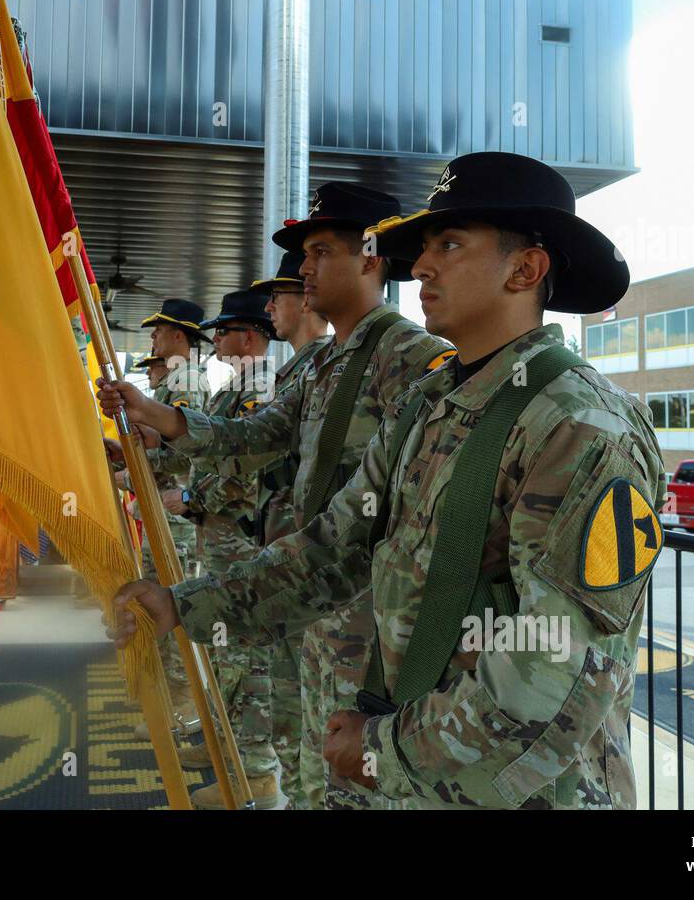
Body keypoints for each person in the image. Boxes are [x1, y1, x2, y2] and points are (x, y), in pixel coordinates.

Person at [105, 152, 664, 809]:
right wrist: (186, 604)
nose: (421, 266)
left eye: (449, 244)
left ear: (526, 268)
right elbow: (332, 549)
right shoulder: (429, 405)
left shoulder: (582, 426)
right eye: (424, 247)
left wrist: (389, 749)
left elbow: (557, 669)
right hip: (420, 773)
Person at [99, 182, 450, 809]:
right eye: (304, 256)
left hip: (372, 619)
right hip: (314, 600)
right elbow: (258, 434)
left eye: (318, 252)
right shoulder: (321, 365)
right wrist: (156, 412)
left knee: (361, 785)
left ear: (371, 257)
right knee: (314, 765)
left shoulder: (412, 358)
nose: (304, 270)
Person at [172, 289, 280, 808]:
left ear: (252, 336)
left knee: (245, 659)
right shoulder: (234, 388)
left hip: (240, 544)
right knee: (225, 654)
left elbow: (250, 472)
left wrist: (193, 499)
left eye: (225, 333)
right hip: (218, 543)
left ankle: (254, 771)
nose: (214, 344)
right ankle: (225, 747)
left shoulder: (262, 387)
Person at [248, 249, 328, 809]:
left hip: (316, 568)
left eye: (277, 296)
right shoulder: (300, 372)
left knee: (310, 710)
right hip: (285, 556)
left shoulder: (331, 370)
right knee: (287, 699)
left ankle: (282, 787)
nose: (270, 307)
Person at [118, 298, 212, 740]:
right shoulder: (176, 383)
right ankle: (176, 698)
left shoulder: (185, 384)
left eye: (159, 331)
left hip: (173, 516)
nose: (153, 339)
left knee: (170, 605)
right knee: (165, 604)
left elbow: (179, 457)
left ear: (179, 335)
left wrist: (131, 471)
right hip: (164, 510)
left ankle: (183, 706)